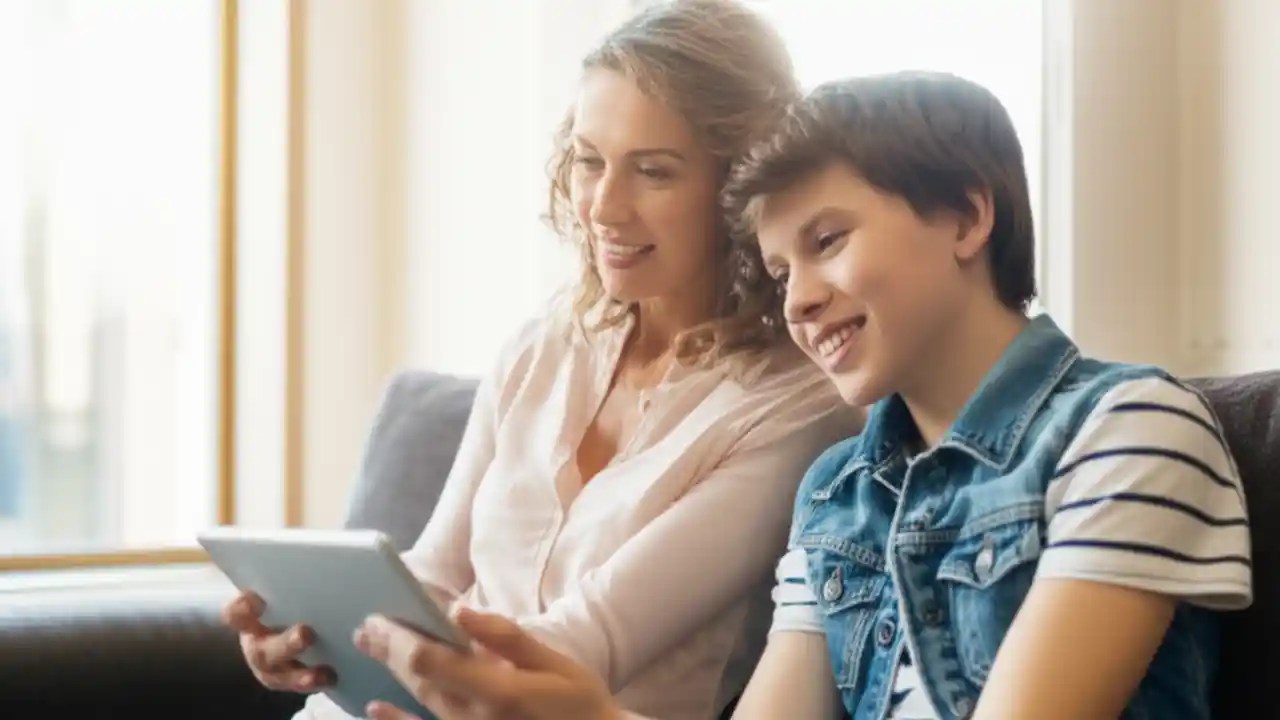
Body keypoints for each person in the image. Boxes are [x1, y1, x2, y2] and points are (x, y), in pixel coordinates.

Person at [351, 71, 1253, 720]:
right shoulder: (836, 495)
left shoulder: (1130, 431)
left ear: (969, 218)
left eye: (828, 241)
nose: (798, 300)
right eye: (780, 269)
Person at [221, 2, 861, 720]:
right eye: (590, 162)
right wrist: (316, 635)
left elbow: (586, 642)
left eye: (653, 172)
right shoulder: (547, 345)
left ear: (739, 189)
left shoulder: (799, 406)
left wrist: (388, 650)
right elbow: (433, 575)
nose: (604, 207)